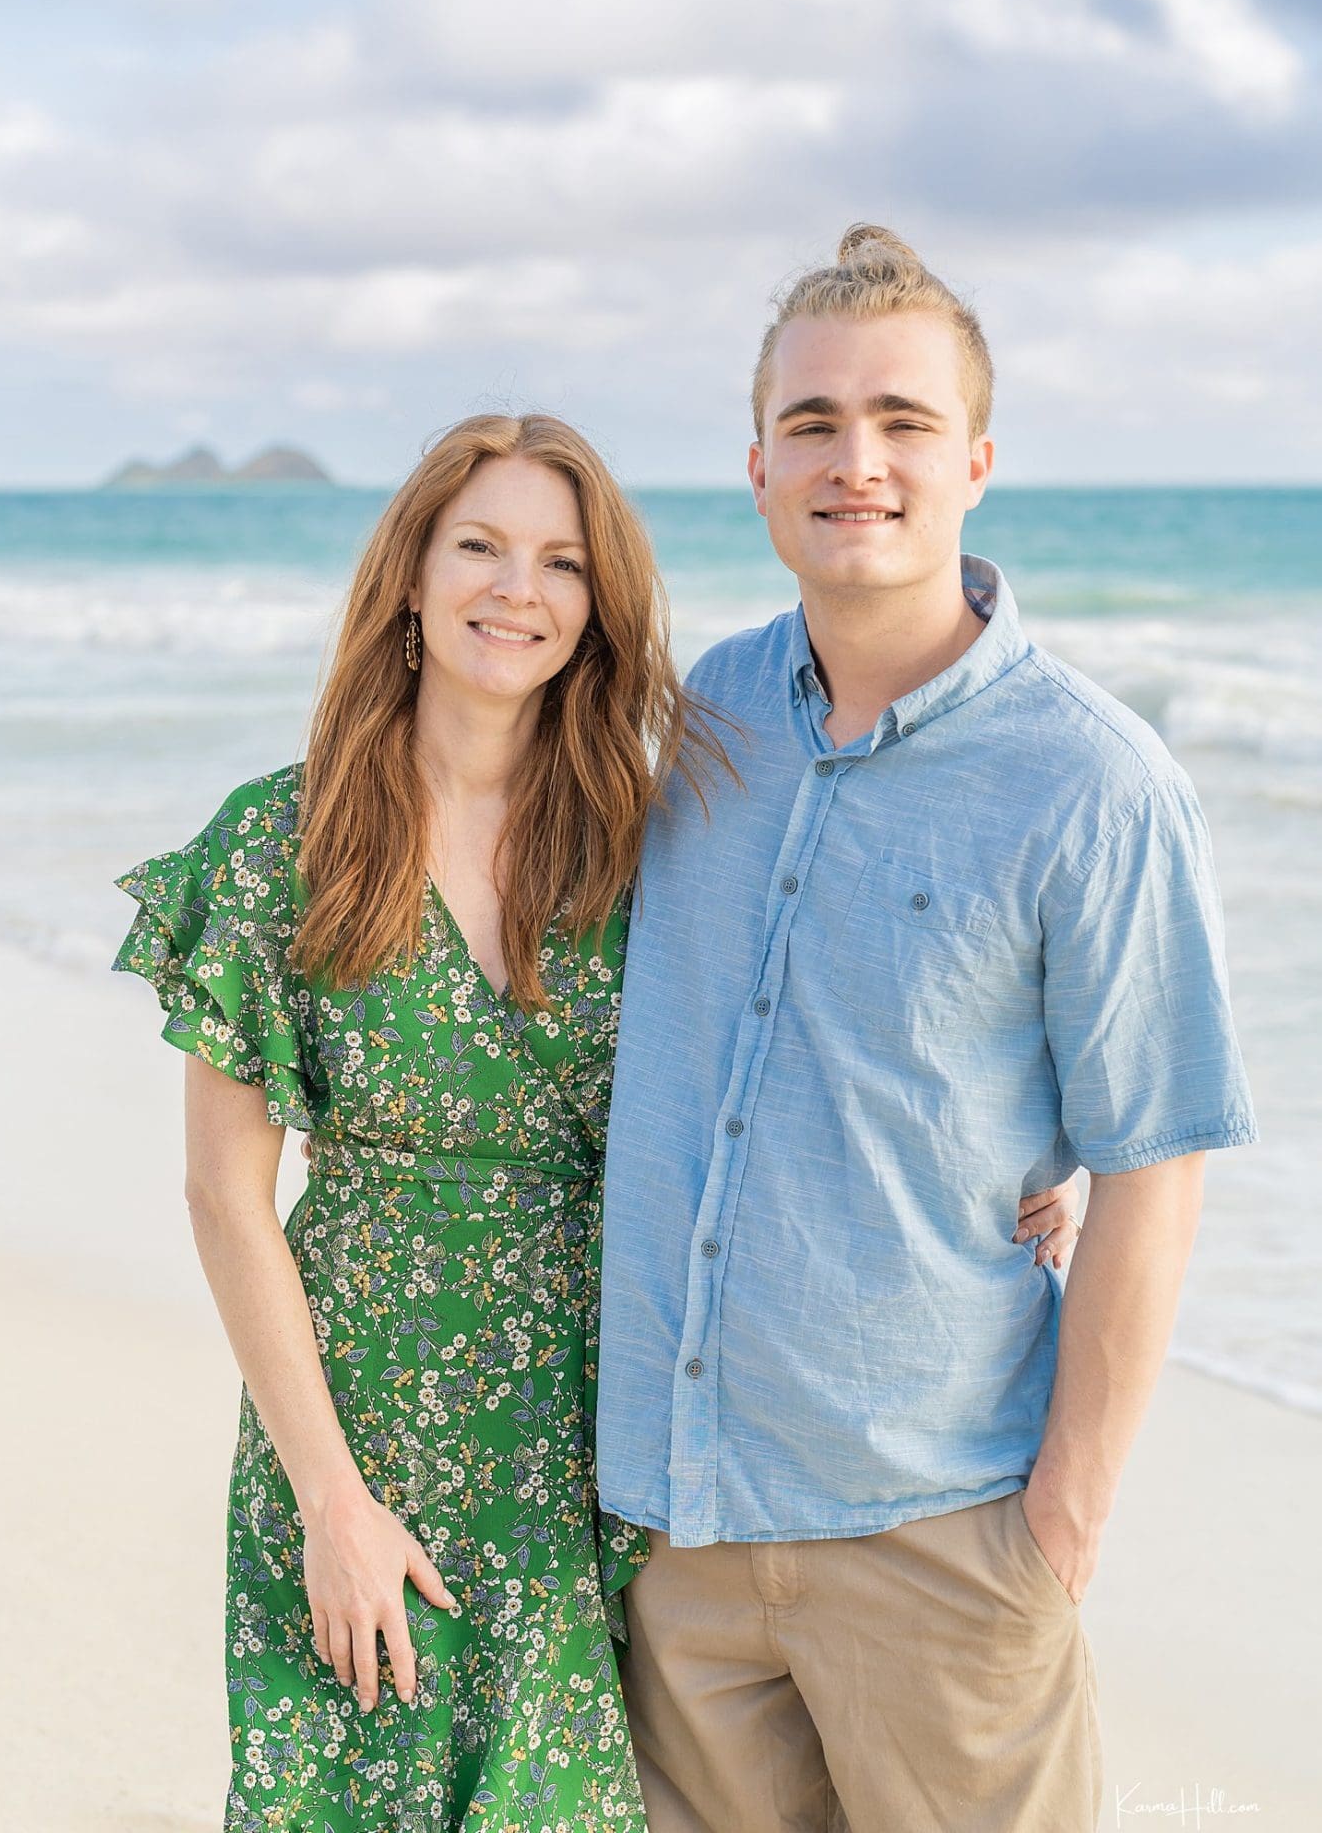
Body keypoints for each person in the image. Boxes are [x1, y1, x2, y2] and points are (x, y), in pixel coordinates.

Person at [110, 406, 1083, 1833]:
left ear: (599, 605)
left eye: (563, 564)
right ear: (410, 575)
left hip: (612, 1456)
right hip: (367, 1441)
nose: (519, 590)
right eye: (482, 548)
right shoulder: (282, 842)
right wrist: (331, 1503)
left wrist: (994, 1175)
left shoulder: (648, 838)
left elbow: (803, 1049)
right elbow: (223, 1198)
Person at [596, 225, 1258, 1833]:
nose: (856, 463)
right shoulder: (687, 728)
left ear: (973, 462)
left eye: (899, 423)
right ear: (757, 469)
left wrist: (1064, 1517)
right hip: (677, 1527)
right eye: (813, 425)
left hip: (938, 1533)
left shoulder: (1093, 784)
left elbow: (1152, 1162)